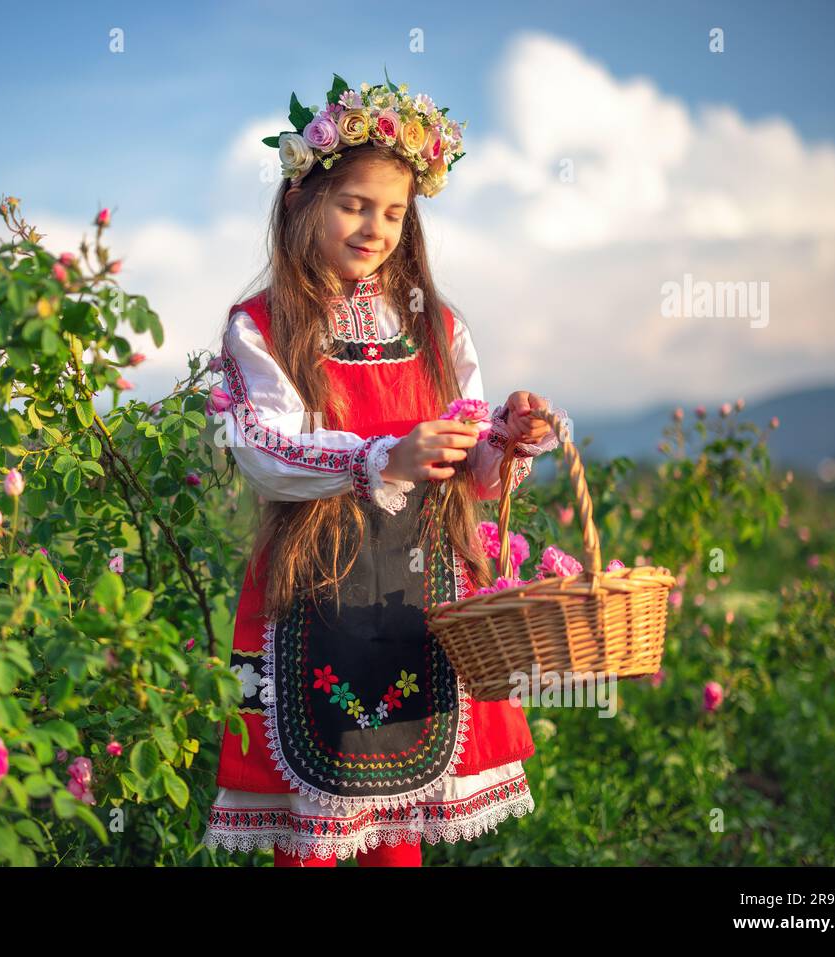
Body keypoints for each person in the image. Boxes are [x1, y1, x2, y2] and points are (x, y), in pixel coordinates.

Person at [201, 74, 566, 866]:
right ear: (303, 202)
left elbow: (469, 470)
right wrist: (380, 458)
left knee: (397, 838)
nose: (376, 226)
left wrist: (503, 437)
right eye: (355, 204)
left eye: (395, 211)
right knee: (314, 839)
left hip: (421, 592)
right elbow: (266, 448)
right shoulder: (261, 325)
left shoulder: (440, 326)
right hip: (316, 585)